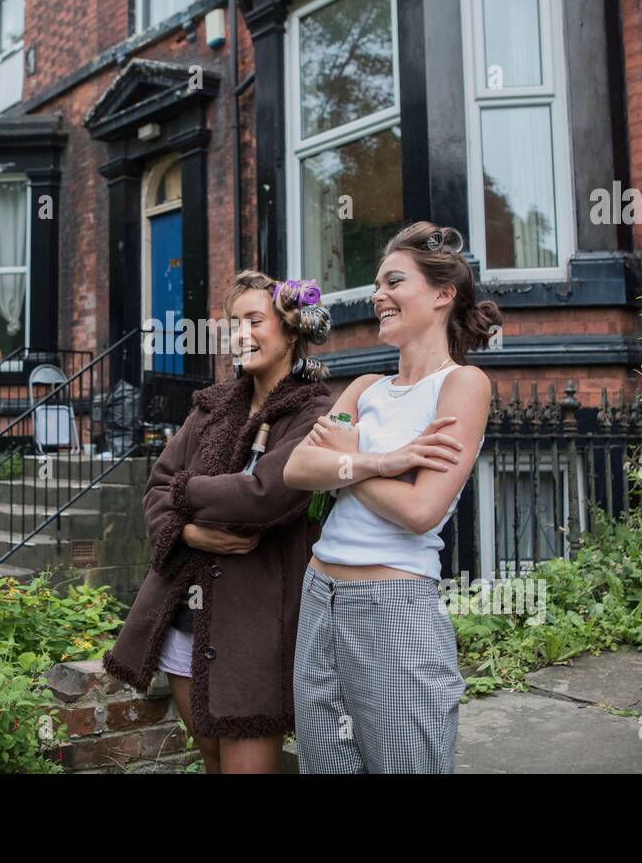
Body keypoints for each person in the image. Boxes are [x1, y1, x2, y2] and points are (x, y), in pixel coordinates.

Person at [283, 220, 502, 773]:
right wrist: (381, 461)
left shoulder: (462, 385)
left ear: (442, 294)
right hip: (320, 598)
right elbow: (297, 467)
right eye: (376, 285)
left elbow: (419, 511)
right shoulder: (364, 388)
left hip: (393, 610)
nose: (378, 295)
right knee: (324, 765)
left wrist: (346, 462)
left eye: (394, 282)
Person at [102, 270, 335, 773]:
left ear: (291, 330)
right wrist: (185, 530)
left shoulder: (315, 411)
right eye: (233, 324)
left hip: (256, 627)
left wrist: (187, 491)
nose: (241, 334)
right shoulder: (211, 407)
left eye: (256, 320)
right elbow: (156, 486)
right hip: (185, 621)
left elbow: (267, 495)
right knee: (212, 761)